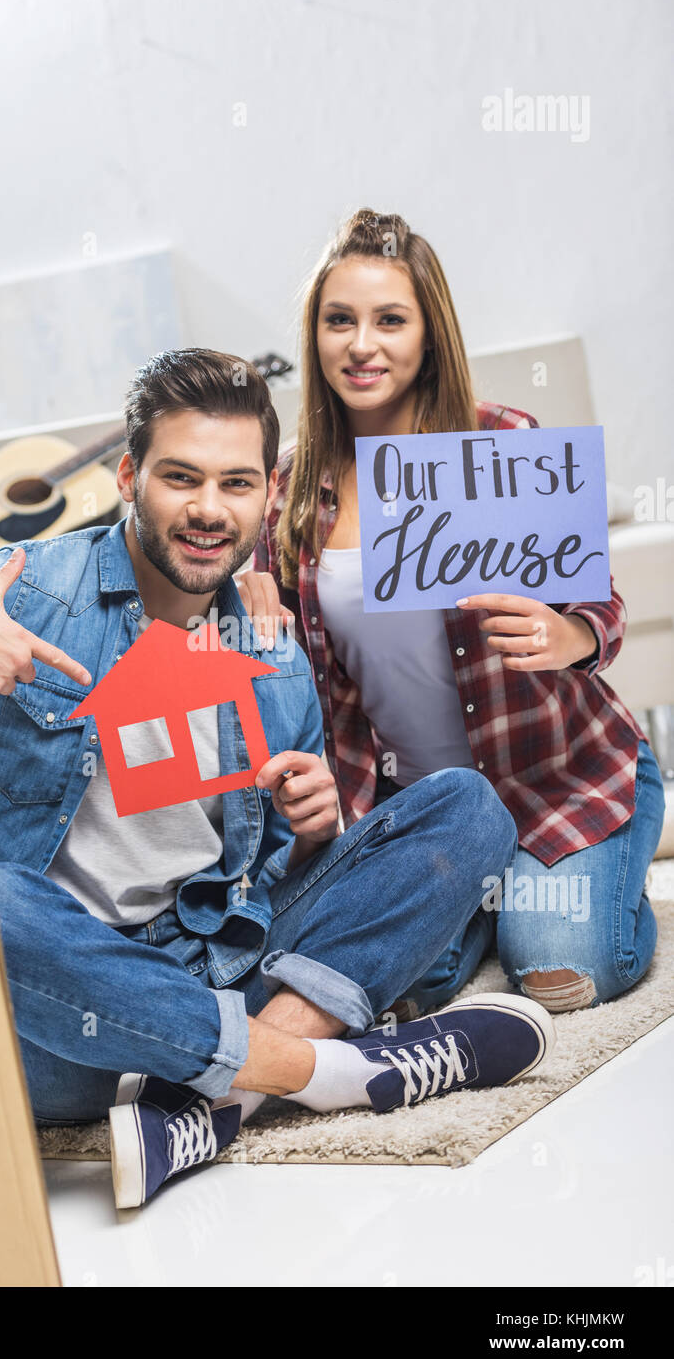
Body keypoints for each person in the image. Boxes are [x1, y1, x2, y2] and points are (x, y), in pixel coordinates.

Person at [0, 348, 554, 1210]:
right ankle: (329, 1071)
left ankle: (210, 1103)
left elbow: (264, 878)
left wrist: (314, 826)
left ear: (266, 495)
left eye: (236, 483)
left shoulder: (271, 656)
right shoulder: (18, 591)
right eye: (180, 478)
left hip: (212, 971)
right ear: (128, 476)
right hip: (59, 1011)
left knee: (467, 810)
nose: (208, 510)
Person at [239, 209, 665, 1021]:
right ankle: (482, 899)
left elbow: (596, 608)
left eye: (389, 320)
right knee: (408, 990)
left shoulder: (497, 438)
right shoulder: (290, 489)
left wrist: (564, 634)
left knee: (559, 971)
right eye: (340, 321)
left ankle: (603, 860)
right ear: (314, 335)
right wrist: (248, 603)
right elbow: (267, 664)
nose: (362, 344)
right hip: (414, 811)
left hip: (553, 776)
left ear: (428, 334)